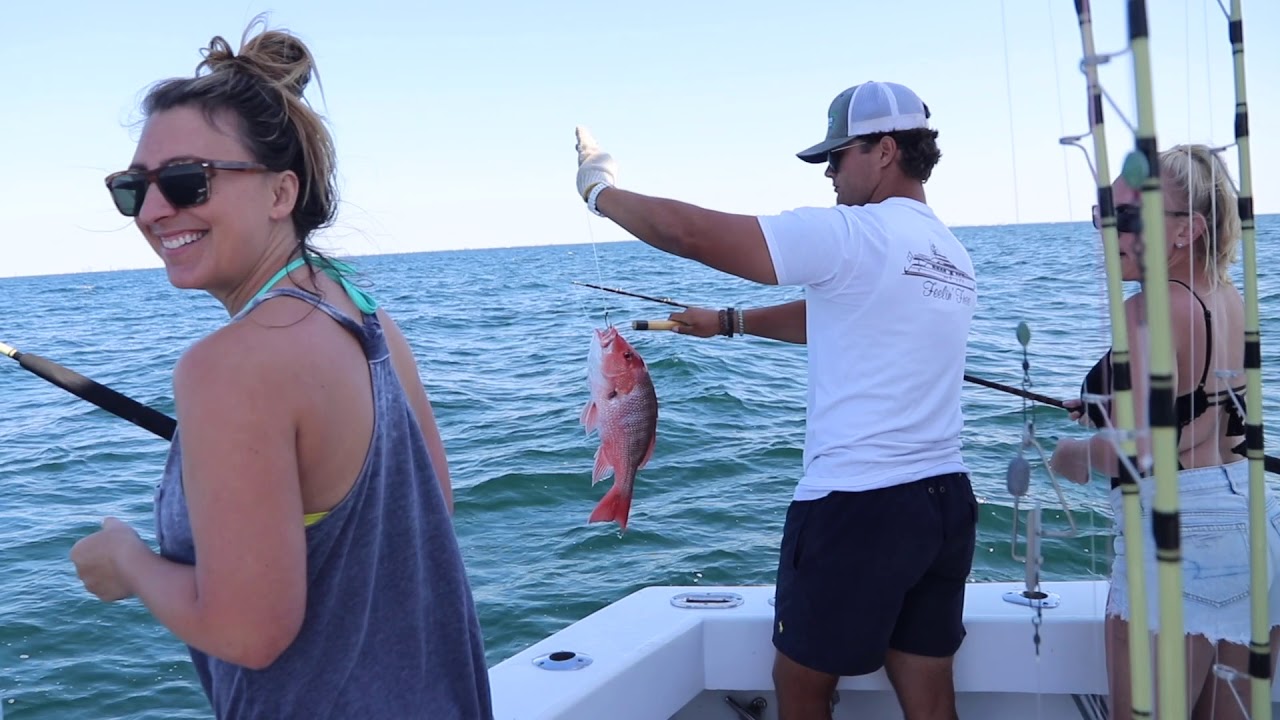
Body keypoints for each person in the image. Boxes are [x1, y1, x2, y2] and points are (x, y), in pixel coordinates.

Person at [68, 18, 494, 719]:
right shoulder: (362, 315)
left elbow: (249, 632)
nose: (153, 209)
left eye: (187, 180)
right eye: (132, 187)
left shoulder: (230, 366)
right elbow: (431, 510)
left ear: (280, 193)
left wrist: (130, 564)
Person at [574, 80, 979, 720]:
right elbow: (840, 314)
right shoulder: (947, 253)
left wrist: (601, 192)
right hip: (944, 501)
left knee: (800, 686)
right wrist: (731, 322)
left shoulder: (856, 234)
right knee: (930, 694)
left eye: (836, 156)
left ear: (885, 151)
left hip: (857, 505)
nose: (829, 175)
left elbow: (688, 233)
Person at [1049, 143, 1280, 720]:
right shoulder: (1230, 300)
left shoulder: (1147, 310)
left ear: (1187, 230)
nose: (1108, 231)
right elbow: (1210, 425)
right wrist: (1108, 410)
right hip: (1255, 525)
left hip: (1182, 537)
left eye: (1126, 217)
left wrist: (1073, 454)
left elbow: (1141, 452)